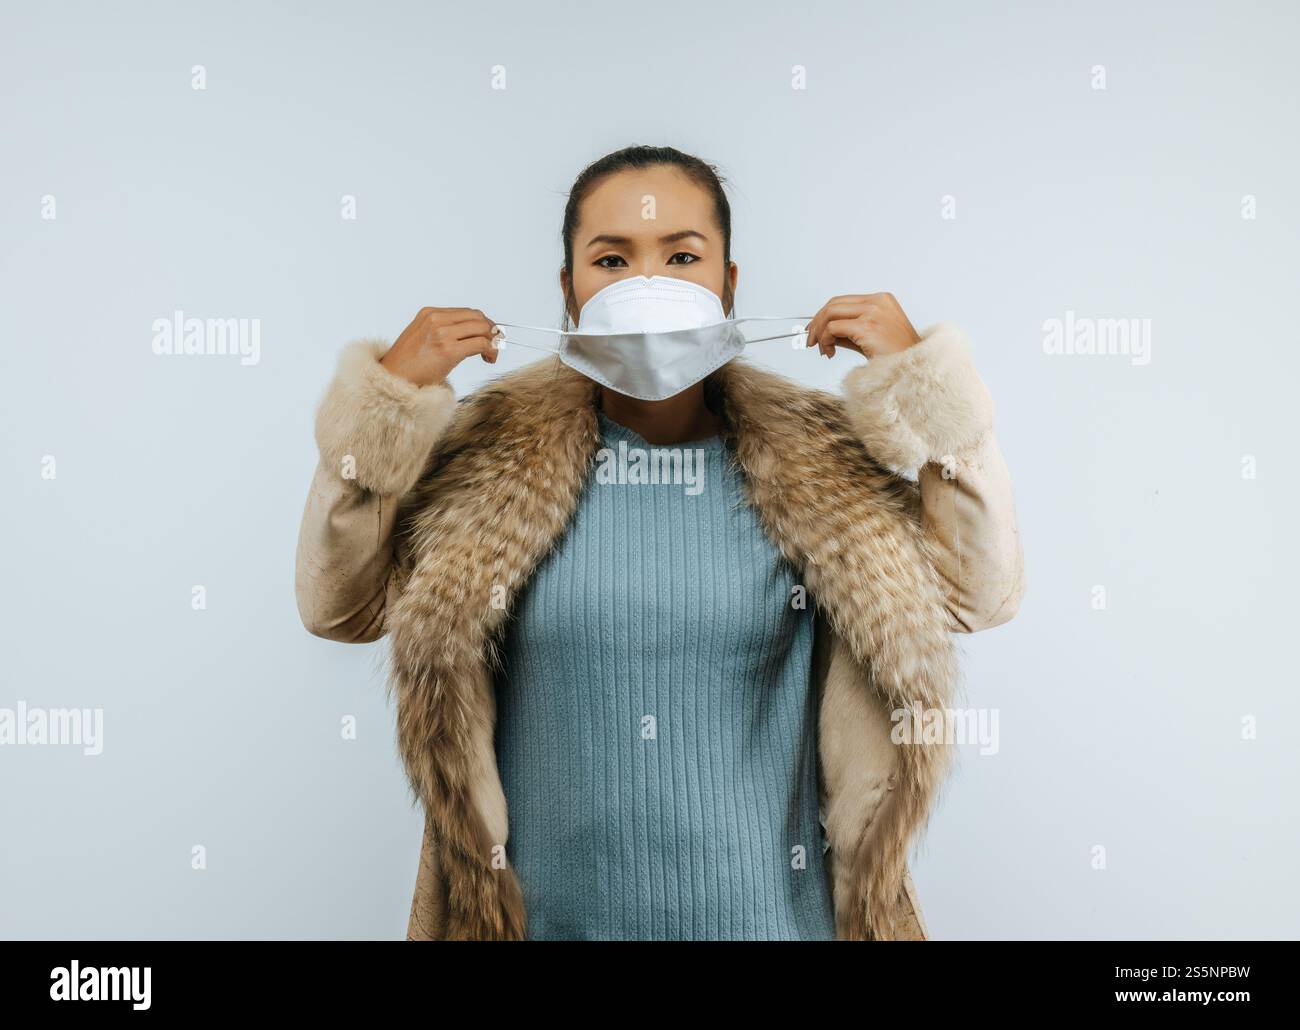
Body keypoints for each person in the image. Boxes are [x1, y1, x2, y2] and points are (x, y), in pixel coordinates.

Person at [294, 144, 1025, 940]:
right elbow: (341, 608)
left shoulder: (826, 464)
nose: (648, 285)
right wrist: (388, 404)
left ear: (728, 284)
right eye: (611, 259)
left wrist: (926, 389)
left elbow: (978, 594)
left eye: (682, 255)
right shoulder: (481, 460)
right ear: (568, 290)